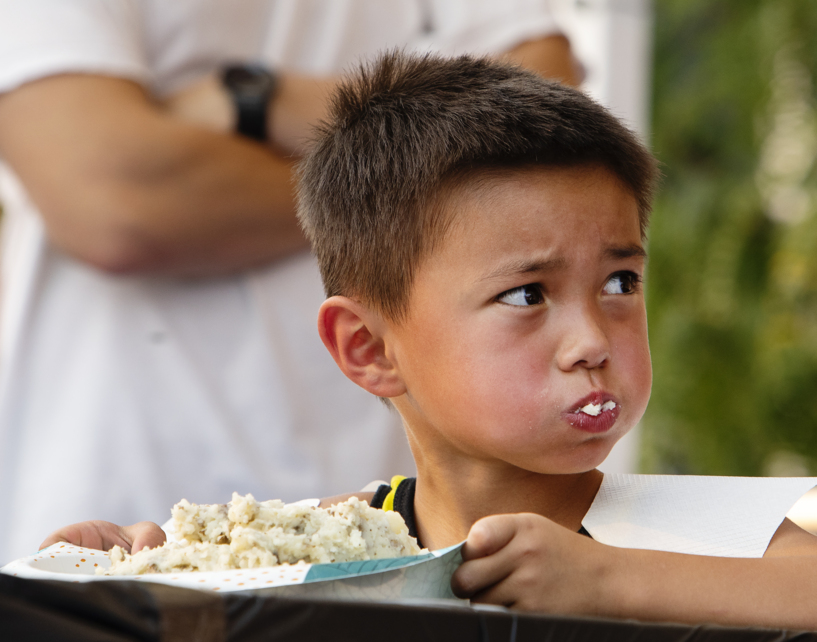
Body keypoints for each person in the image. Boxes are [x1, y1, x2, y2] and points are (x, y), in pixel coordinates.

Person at [43, 51, 817, 642]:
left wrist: (605, 582)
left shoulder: (690, 532)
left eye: (620, 281)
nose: (593, 339)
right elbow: (241, 581)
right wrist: (146, 570)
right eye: (527, 296)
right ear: (369, 350)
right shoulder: (354, 541)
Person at [0, 0, 578, 564]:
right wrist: (417, 171)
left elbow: (548, 127)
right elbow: (112, 199)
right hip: (113, 505)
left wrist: (256, 98)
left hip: (388, 527)